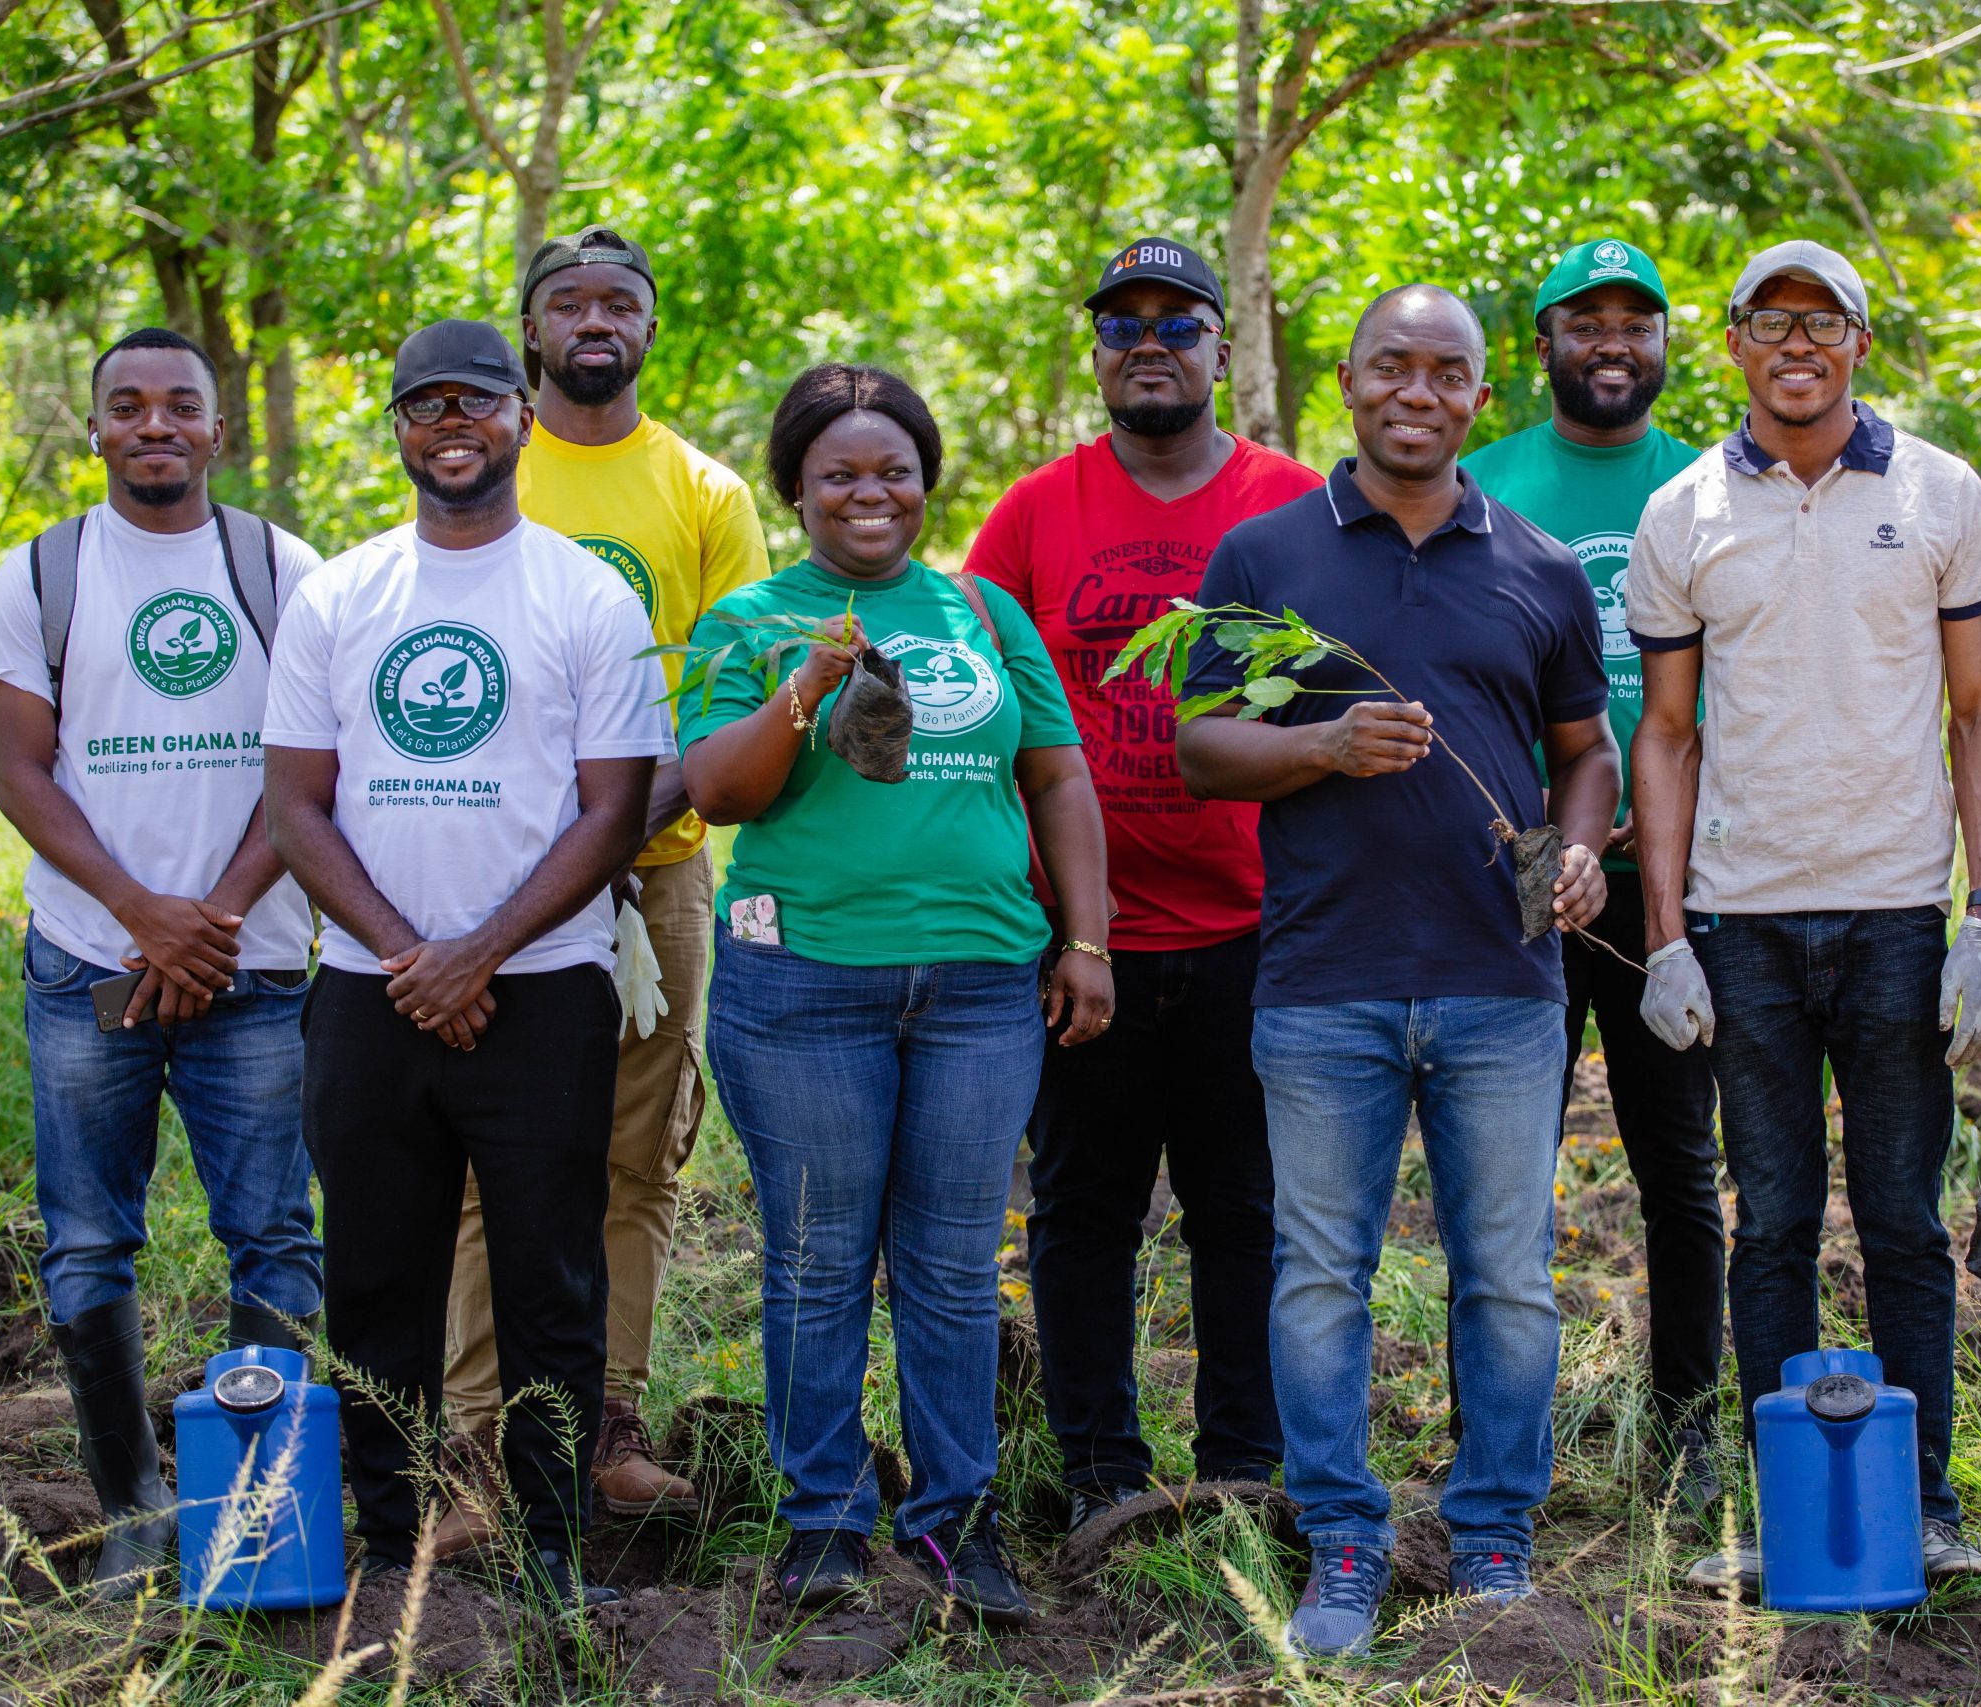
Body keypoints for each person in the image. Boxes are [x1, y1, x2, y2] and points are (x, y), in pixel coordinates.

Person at [1177, 284, 1620, 1658]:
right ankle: (1345, 1539)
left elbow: (1586, 749)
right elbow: (1201, 743)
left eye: (1444, 371)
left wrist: (1584, 848)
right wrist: (1321, 746)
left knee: (1507, 1273)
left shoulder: (1538, 566)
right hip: (1324, 981)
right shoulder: (1265, 554)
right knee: (1321, 1273)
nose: (1415, 390)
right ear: (1351, 386)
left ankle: (1493, 1527)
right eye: (1390, 368)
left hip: (1503, 979)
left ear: (1480, 397)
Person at [678, 363, 1112, 1628]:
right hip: (802, 985)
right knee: (818, 1261)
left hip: (981, 988)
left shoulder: (982, 609)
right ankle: (822, 1519)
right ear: (796, 490)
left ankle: (957, 1522)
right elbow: (716, 793)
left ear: (926, 482)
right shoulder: (753, 617)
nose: (871, 494)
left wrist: (1084, 938)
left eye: (894, 472)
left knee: (951, 1264)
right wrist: (804, 684)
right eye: (839, 475)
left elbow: (1057, 779)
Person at [263, 319, 670, 1611]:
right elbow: (295, 807)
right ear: (396, 430)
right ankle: (390, 1546)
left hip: (544, 988)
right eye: (424, 403)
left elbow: (616, 808)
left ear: (522, 417)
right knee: (378, 1277)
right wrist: (408, 953)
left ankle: (552, 1548)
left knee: (554, 1278)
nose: (453, 421)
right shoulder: (338, 594)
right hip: (371, 995)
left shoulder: (586, 595)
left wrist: (481, 950)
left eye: (478, 400)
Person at [1627, 241, 1981, 1592]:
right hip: (1750, 921)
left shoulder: (1940, 490)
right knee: (1773, 1217)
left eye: (1824, 319)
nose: (1796, 340)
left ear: (1861, 339)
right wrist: (1668, 931)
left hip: (1903, 910)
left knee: (1904, 1216)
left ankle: (1927, 1499)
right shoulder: (1685, 511)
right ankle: (1777, 1497)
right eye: (1768, 319)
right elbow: (1665, 735)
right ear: (1733, 341)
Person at [963, 237, 1318, 1528]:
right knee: (1081, 1208)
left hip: (1259, 929)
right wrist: (1048, 920)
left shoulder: (1292, 505)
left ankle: (1241, 1464)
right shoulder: (1033, 514)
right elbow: (971, 708)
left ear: (1226, 345)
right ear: (1099, 355)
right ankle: (1097, 1470)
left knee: (1246, 1207)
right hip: (1085, 938)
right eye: (1123, 327)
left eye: (1178, 322)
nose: (1149, 343)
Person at [429, 225, 770, 1552]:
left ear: (645, 324)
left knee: (636, 1160)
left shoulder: (701, 488)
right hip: (487, 879)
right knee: (483, 1164)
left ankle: (607, 1426)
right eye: (564, 300)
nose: (591, 318)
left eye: (616, 300)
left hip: (659, 874)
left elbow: (736, 689)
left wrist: (631, 816)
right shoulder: (482, 474)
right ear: (530, 331)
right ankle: (468, 1450)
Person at [0, 327, 325, 1594]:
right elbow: (20, 767)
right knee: (83, 1244)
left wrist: (211, 921)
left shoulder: (285, 570)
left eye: (182, 404)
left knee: (275, 1240)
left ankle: (255, 1514)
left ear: (218, 430)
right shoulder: (41, 574)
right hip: (87, 964)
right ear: (98, 431)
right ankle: (131, 1507)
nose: (156, 424)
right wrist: (141, 911)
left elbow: (310, 768)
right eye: (129, 407)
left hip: (258, 968)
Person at [1461, 236, 1724, 1509]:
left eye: (1637, 319)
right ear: (1543, 342)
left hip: (1677, 870)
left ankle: (1687, 1425)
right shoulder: (1484, 480)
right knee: (1503, 1160)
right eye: (1584, 321)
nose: (1611, 341)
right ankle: (1495, 1431)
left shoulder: (1715, 484)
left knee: (1678, 1160)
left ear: (1666, 342)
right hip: (1516, 860)